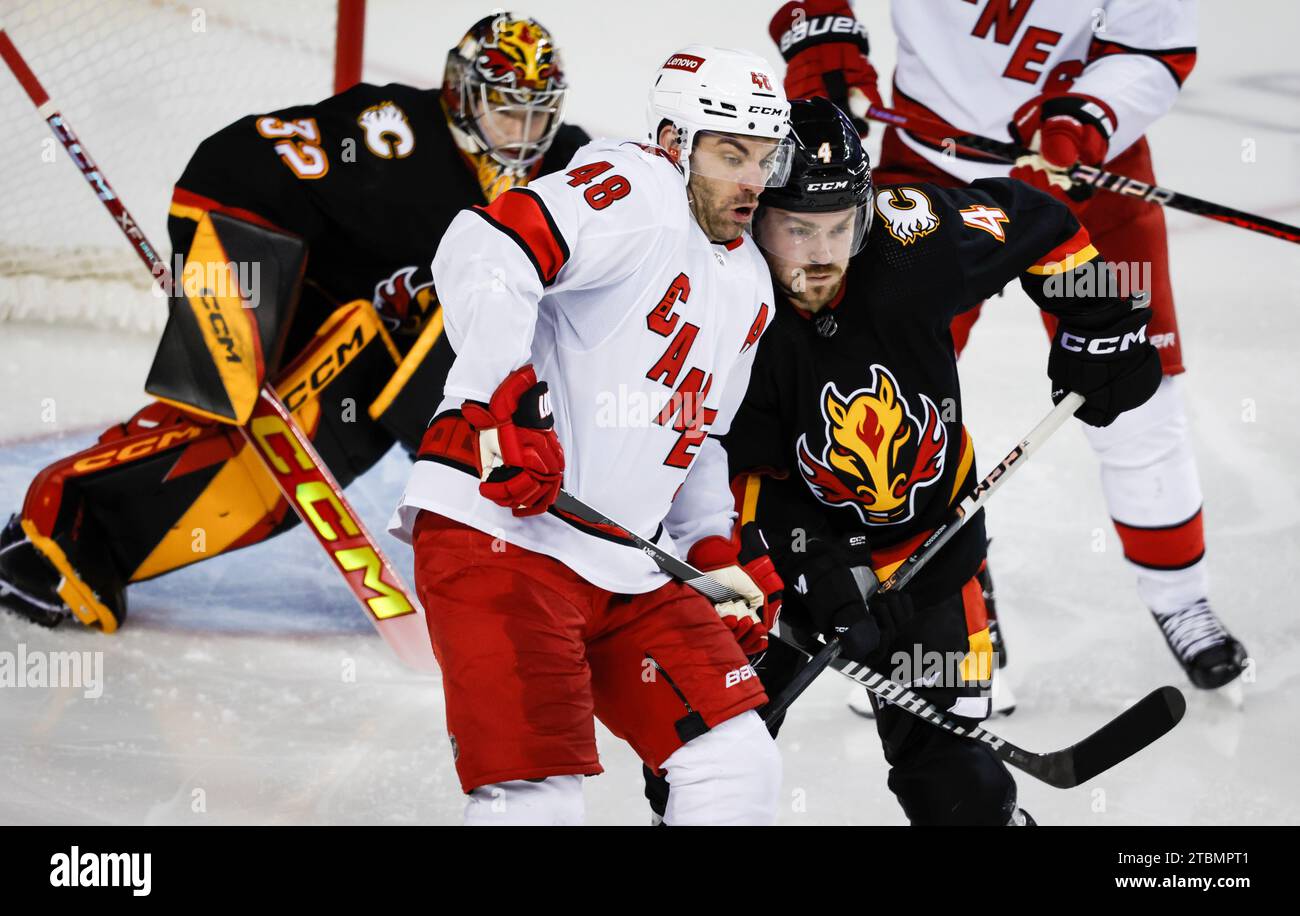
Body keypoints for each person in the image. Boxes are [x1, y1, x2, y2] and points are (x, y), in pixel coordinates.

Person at [645, 97, 1161, 825]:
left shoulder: (910, 235)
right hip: (764, 572)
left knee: (958, 791)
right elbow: (720, 474)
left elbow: (1041, 222)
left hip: (933, 553)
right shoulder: (716, 294)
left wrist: (1102, 328)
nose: (821, 254)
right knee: (699, 767)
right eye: (797, 230)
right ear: (755, 217)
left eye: (839, 228)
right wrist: (815, 573)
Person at [0, 12, 587, 632]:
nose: (523, 135)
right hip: (242, 228)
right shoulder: (399, 136)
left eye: (537, 114)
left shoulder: (567, 161)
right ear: (461, 97)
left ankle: (84, 551)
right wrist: (237, 276)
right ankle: (48, 538)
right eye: (506, 112)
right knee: (223, 410)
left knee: (294, 471)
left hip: (356, 308)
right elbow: (241, 163)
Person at [764, 0, 1247, 691]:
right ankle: (944, 619)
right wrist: (824, 37)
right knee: (875, 404)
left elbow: (1156, 44)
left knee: (1134, 393)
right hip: (927, 166)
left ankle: (1181, 598)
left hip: (1079, 172)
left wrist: (1088, 117)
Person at [390, 45, 797, 825]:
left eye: (764, 158)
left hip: (628, 567)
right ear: (677, 144)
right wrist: (501, 399)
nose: (750, 180)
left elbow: (701, 437)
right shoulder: (639, 189)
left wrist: (713, 552)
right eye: (730, 152)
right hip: (501, 541)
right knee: (537, 798)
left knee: (737, 766)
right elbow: (488, 244)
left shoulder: (749, 284)